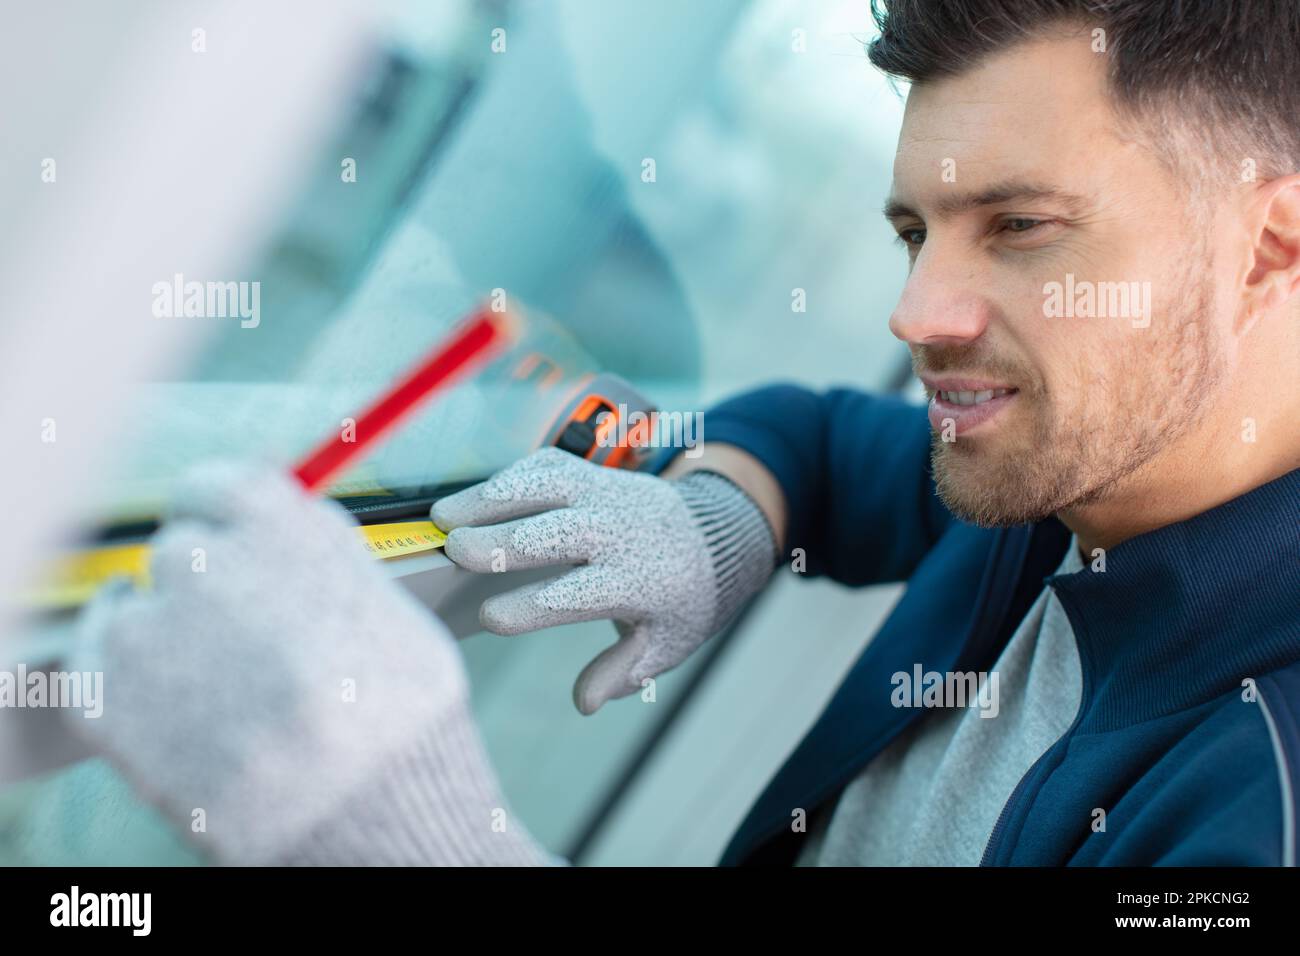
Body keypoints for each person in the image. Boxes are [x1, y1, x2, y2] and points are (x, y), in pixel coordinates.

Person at [70, 0, 1300, 866]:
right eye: (916, 233)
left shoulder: (1259, 795)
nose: (918, 312)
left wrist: (418, 834)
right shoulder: (1090, 465)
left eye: (1020, 225)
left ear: (1266, 246)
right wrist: (716, 518)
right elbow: (819, 445)